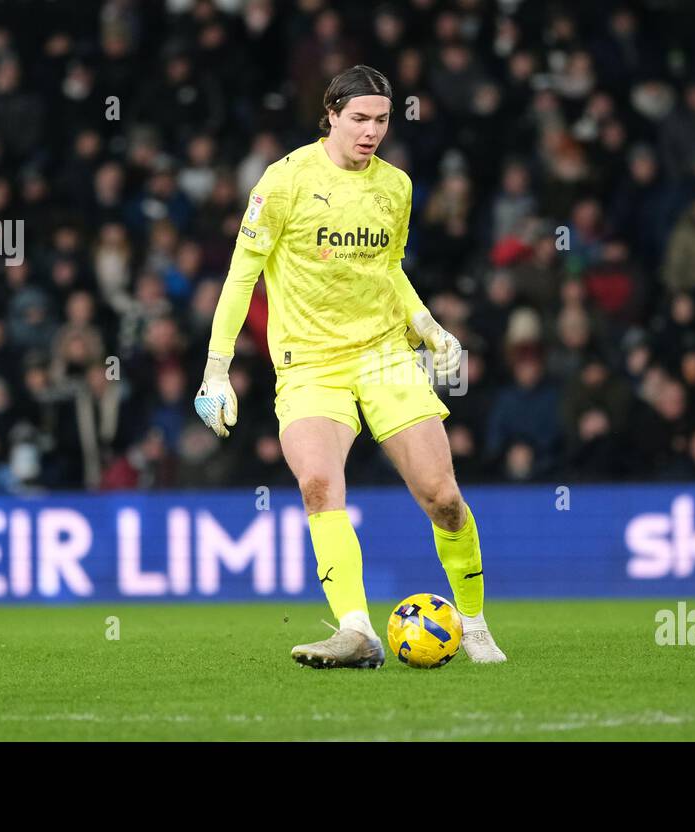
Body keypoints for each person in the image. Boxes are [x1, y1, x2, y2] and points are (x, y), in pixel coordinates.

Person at [193, 65, 506, 668]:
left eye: (382, 121)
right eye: (359, 118)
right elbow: (241, 276)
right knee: (317, 485)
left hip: (385, 354)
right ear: (331, 115)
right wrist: (216, 368)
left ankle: (473, 623)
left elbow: (388, 270)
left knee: (442, 498)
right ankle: (357, 630)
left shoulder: (396, 187)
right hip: (308, 362)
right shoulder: (283, 182)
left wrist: (425, 324)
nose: (370, 132)